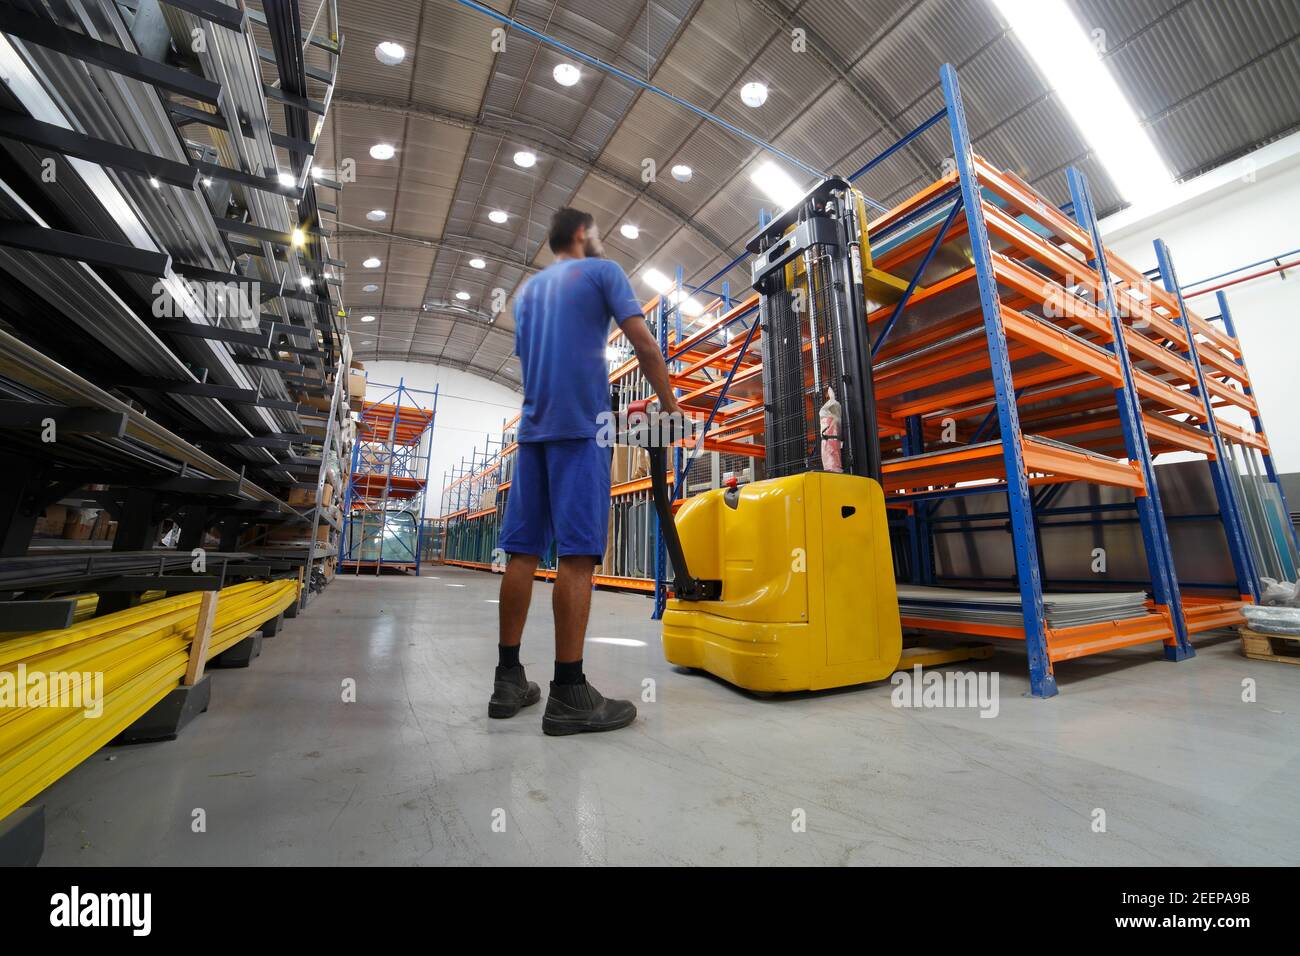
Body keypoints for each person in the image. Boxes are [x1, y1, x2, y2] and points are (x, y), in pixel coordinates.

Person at [489, 207, 680, 736]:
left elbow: (544, 366)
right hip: (579, 433)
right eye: (595, 231)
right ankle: (569, 692)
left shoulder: (528, 295)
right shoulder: (603, 273)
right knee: (577, 556)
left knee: (522, 554)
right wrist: (669, 406)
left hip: (533, 435)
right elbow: (643, 343)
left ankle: (508, 680)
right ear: (580, 233)